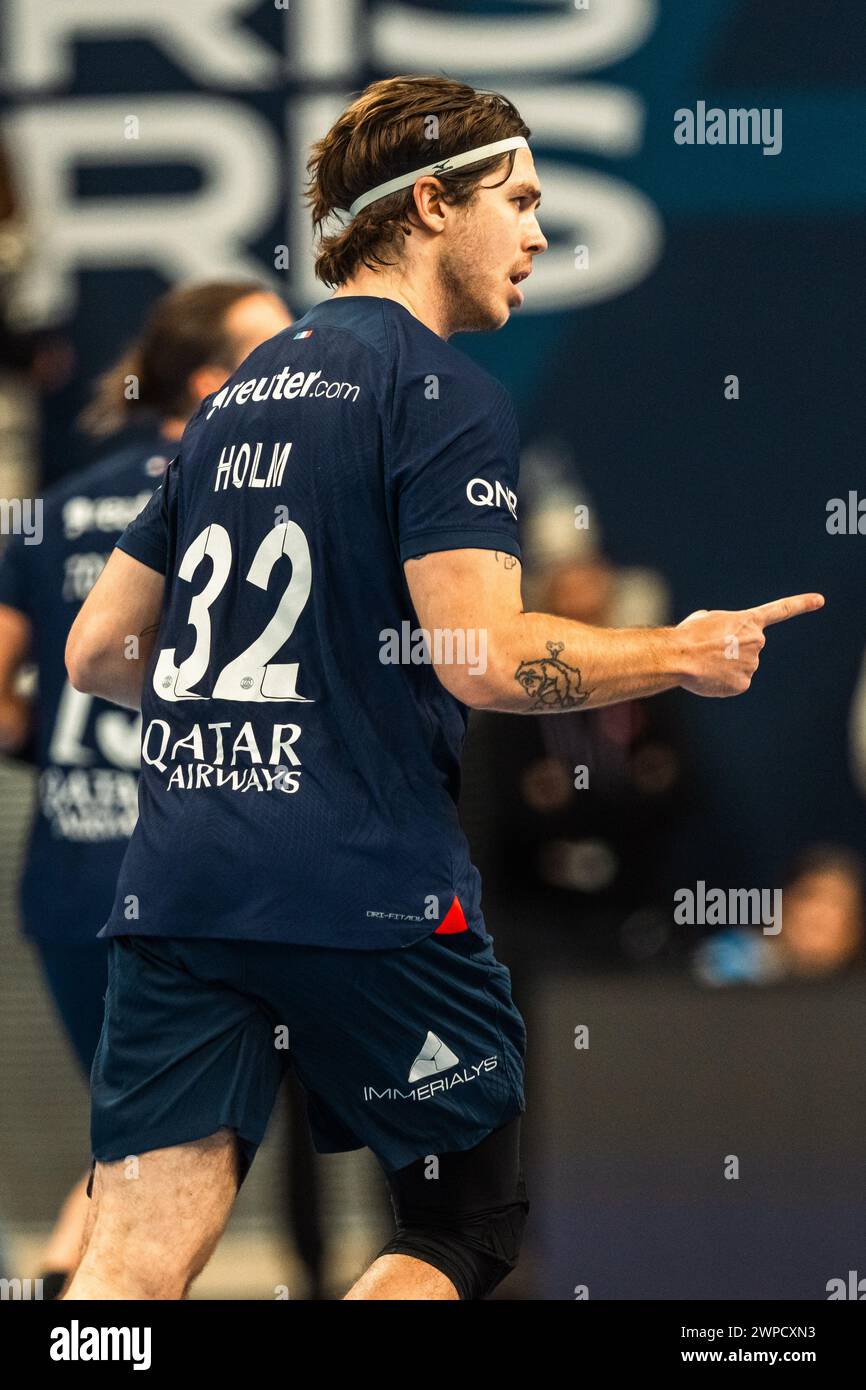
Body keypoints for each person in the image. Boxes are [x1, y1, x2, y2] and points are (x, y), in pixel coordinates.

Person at [60, 74, 823, 1302]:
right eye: (516, 201)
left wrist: (263, 704)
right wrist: (677, 652)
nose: (533, 233)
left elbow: (100, 652)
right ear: (428, 203)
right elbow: (483, 658)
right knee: (466, 1223)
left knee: (129, 1268)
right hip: (357, 881)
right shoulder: (439, 389)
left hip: (181, 879)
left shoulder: (231, 399)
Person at [0, 279, 292, 1296]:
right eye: (274, 346)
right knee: (174, 1146)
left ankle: (61, 1289)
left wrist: (53, 749)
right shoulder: (248, 494)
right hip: (190, 877)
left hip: (67, 876)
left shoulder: (62, 509)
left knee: (131, 1134)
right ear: (214, 380)